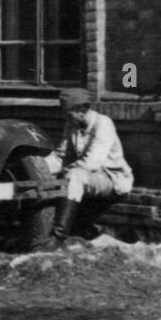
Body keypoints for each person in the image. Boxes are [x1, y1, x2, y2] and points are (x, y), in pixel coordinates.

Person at [44, 88, 133, 244]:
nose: (64, 116)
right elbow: (61, 156)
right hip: (89, 177)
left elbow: (93, 161)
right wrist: (39, 167)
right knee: (64, 176)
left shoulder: (103, 124)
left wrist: (66, 171)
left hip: (112, 179)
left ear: (82, 110)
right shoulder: (71, 125)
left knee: (74, 176)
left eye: (67, 112)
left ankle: (58, 236)